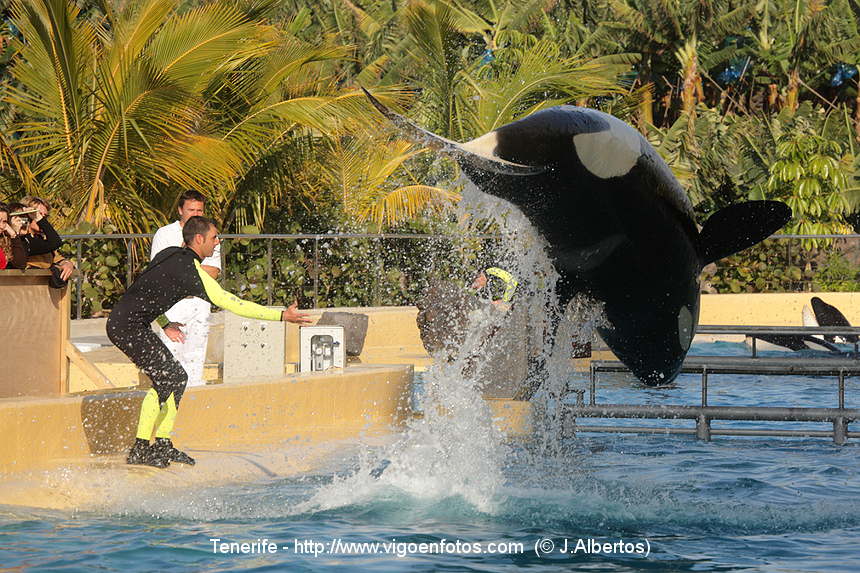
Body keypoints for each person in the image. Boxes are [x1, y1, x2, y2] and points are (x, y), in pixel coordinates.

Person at [107, 216, 311, 468]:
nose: (218, 242)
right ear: (199, 239)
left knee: (176, 378)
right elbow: (232, 303)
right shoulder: (192, 273)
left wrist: (164, 323)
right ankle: (140, 449)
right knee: (167, 378)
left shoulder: (170, 254)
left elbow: (143, 288)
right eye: (215, 237)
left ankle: (161, 444)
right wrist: (281, 315)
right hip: (127, 327)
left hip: (127, 322)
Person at [150, 191, 220, 388]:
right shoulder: (164, 234)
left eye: (199, 210)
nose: (195, 214)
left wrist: (179, 266)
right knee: (171, 356)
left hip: (199, 302)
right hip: (173, 303)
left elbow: (213, 272)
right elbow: (159, 270)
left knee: (196, 357)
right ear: (181, 210)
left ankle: (192, 403)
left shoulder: (210, 235)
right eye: (191, 210)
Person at [12, 198, 75, 281]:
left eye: (45, 216)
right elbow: (55, 242)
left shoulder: (39, 238)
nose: (42, 219)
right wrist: (38, 219)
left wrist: (67, 263)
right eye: (38, 214)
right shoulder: (23, 240)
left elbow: (56, 257)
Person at [0, 203, 27, 269]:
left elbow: (20, 264)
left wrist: (13, 235)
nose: (1, 226)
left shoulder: (5, 241)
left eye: (4, 222)